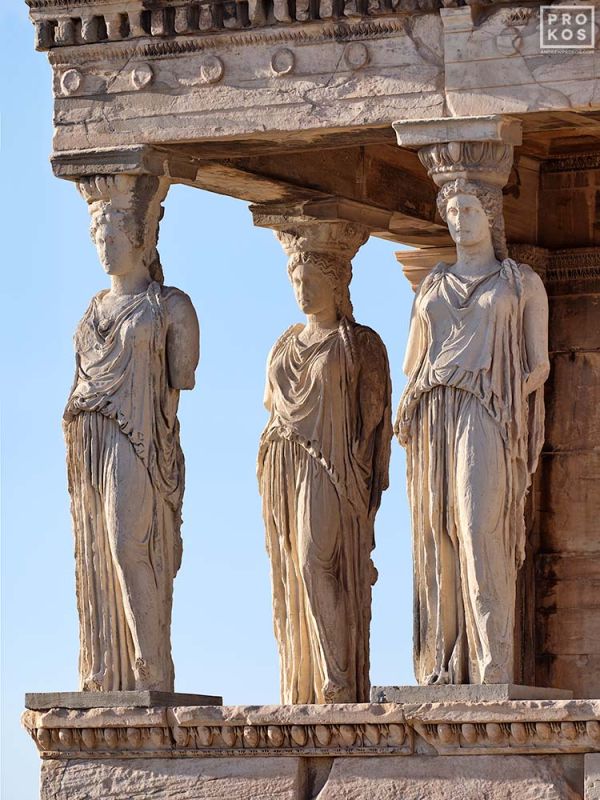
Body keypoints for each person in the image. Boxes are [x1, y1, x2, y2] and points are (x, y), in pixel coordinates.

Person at [396, 178, 549, 685]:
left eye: (468, 208)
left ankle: (493, 661)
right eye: (451, 210)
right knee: (438, 532)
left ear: (489, 215)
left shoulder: (519, 281)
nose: (458, 219)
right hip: (435, 408)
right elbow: (412, 362)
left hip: (489, 409)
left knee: (478, 524)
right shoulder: (432, 284)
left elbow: (539, 364)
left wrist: (509, 401)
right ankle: (444, 664)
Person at [64, 174, 199, 691]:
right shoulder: (91, 309)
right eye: (99, 237)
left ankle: (153, 666)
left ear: (141, 238)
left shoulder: (169, 307)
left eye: (114, 236)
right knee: (97, 547)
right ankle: (109, 670)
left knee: (126, 544)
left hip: (139, 438)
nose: (105, 246)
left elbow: (180, 377)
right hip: (90, 436)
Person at [258, 243, 392, 703]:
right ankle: (310, 682)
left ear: (337, 285)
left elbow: (373, 415)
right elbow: (268, 402)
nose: (301, 289)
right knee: (293, 567)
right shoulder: (283, 343)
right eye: (296, 280)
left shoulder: (358, 343)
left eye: (311, 281)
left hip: (332, 466)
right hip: (285, 460)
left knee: (317, 560)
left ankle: (339, 677)